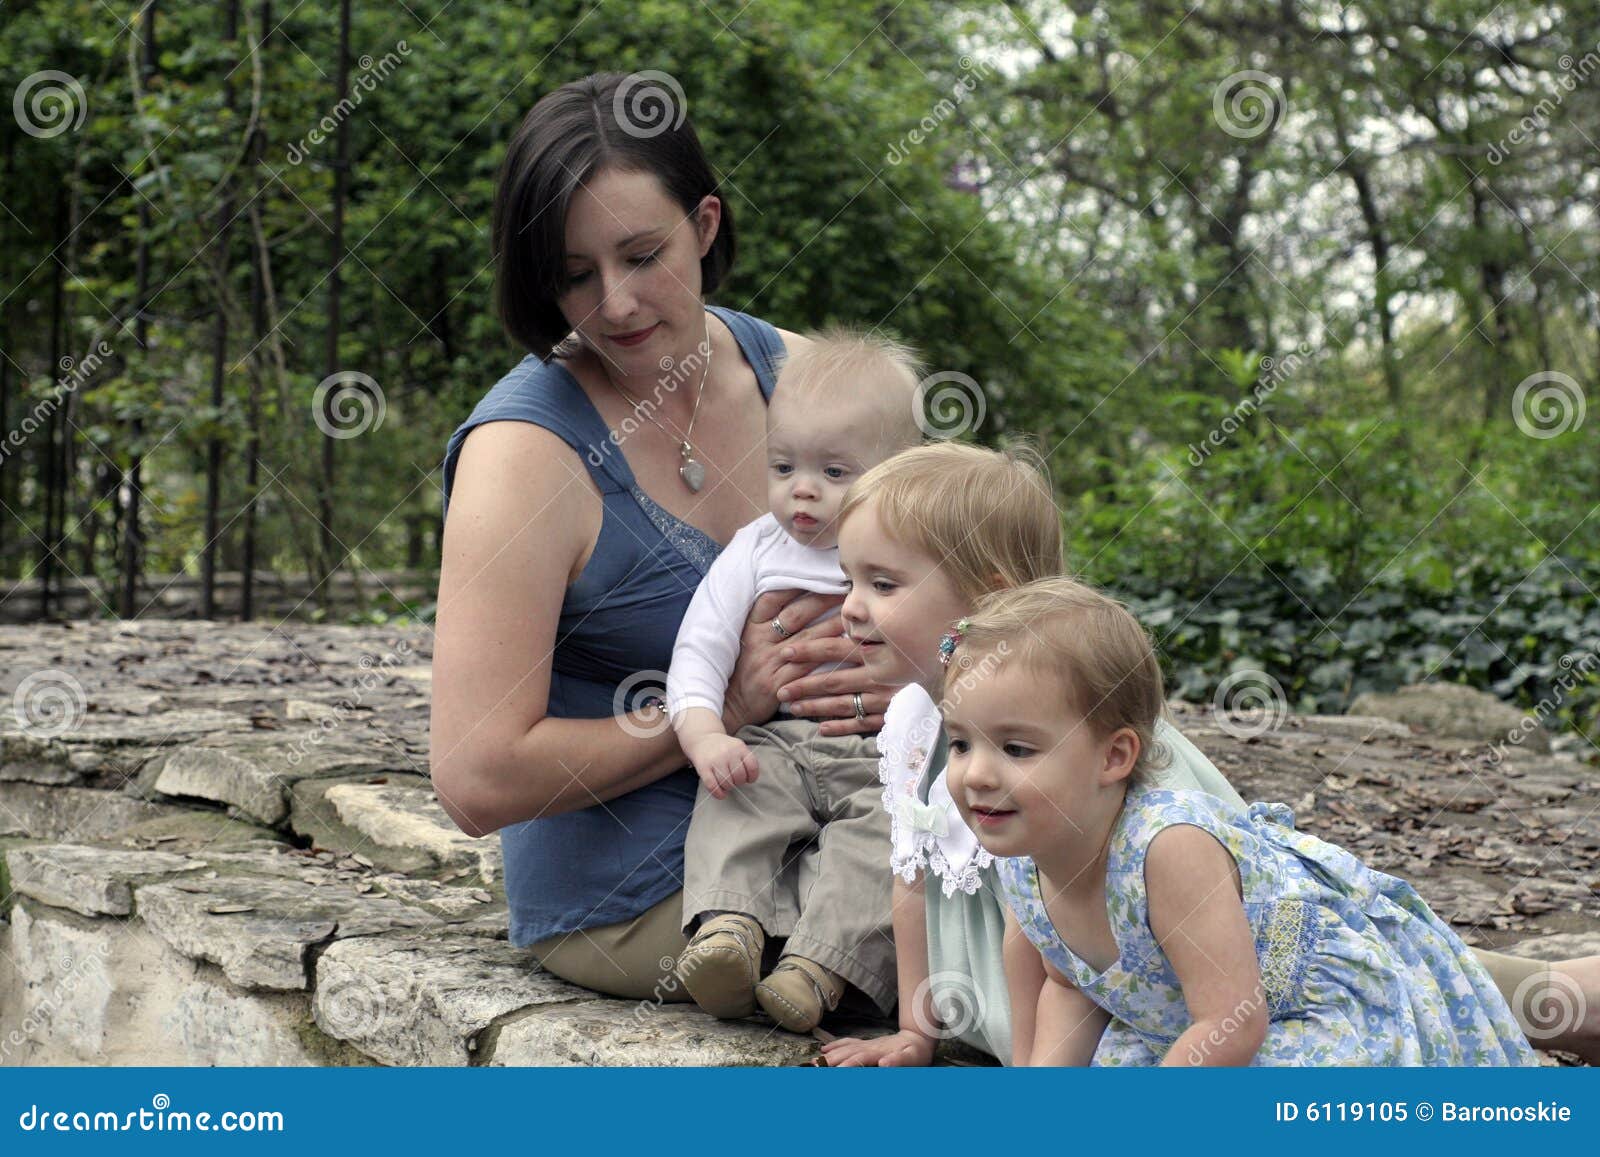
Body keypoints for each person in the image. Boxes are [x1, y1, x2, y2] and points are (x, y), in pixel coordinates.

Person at [818, 443, 1600, 1066]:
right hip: (1137, 985)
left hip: (1258, 961)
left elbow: (1237, 912)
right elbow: (932, 897)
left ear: (988, 596)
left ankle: (1571, 994)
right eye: (847, 577)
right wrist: (920, 1025)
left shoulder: (1129, 780)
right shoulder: (920, 731)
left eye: (882, 583)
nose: (850, 607)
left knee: (1458, 986)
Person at [431, 72, 893, 1003]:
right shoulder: (522, 455)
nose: (616, 303)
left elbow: (967, 589)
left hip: (848, 805)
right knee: (974, 923)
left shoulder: (804, 382)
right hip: (644, 884)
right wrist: (715, 703)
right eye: (573, 274)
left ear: (707, 225)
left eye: (643, 255)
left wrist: (920, 657)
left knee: (1078, 824)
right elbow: (476, 778)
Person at [944, 577, 1539, 1066]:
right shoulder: (1027, 861)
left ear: (1113, 757)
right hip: (1183, 1032)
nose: (976, 774)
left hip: (1294, 1013)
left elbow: (1234, 1021)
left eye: (1017, 749)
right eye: (961, 744)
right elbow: (1071, 987)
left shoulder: (1166, 847)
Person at [667, 328, 925, 1031]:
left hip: (877, 756)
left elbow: (962, 642)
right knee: (732, 801)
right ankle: (728, 930)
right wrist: (704, 733)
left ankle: (820, 968)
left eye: (835, 473)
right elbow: (699, 648)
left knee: (887, 844)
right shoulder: (757, 549)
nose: (802, 490)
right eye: (784, 466)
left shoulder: (916, 555)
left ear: (896, 473)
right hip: (772, 741)